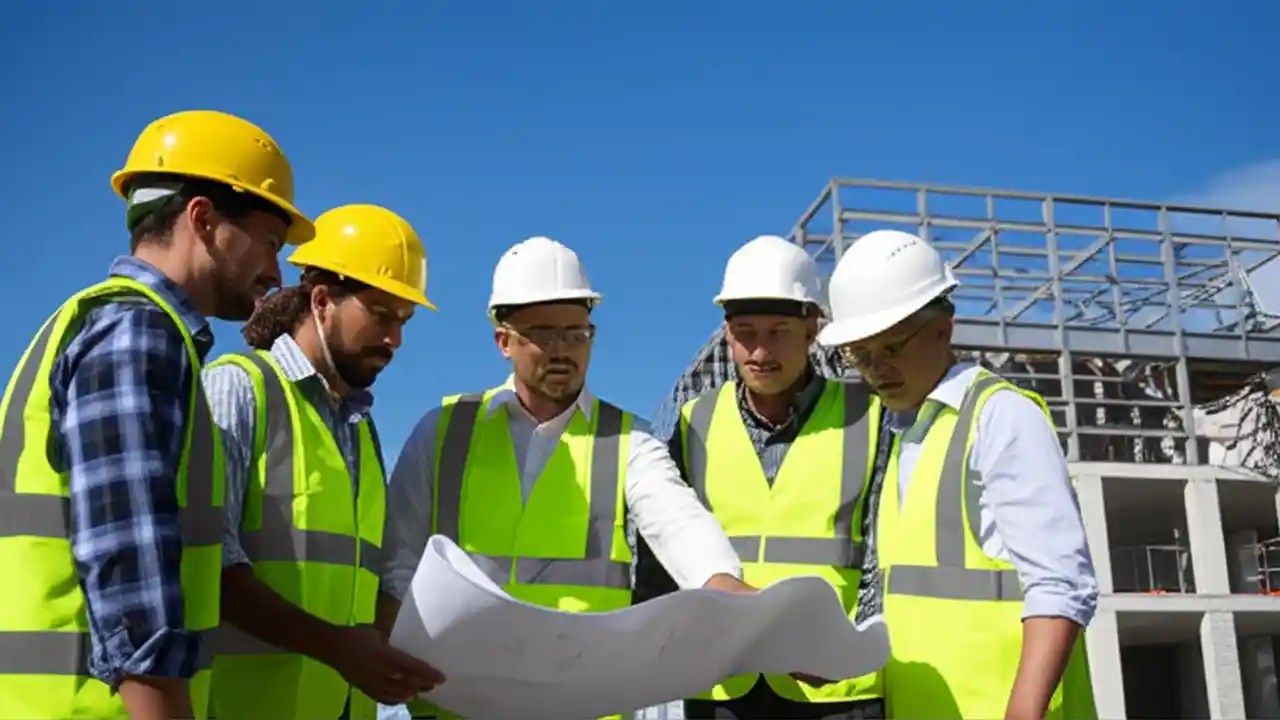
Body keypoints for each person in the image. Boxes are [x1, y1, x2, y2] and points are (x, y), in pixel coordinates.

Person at [0, 109, 312, 720]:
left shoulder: (91, 325)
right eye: (270, 243)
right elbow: (130, 580)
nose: (276, 274)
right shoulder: (139, 334)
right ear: (203, 218)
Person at [377, 236, 756, 719]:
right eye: (544, 334)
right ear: (504, 341)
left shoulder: (629, 440)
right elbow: (399, 560)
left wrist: (721, 582)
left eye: (576, 334)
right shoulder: (442, 432)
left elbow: (677, 521)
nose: (563, 350)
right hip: (459, 702)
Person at [814, 229, 1098, 720]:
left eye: (891, 348)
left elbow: (1061, 585)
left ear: (943, 329)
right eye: (860, 354)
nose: (876, 370)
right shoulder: (902, 434)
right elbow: (911, 603)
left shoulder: (1001, 416)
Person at [201, 204, 445, 719]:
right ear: (320, 301)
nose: (395, 340)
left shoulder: (360, 429)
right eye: (381, 315)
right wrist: (338, 649)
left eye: (403, 322)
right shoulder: (238, 389)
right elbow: (205, 558)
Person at [633, 235, 888, 720]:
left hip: (834, 690)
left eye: (778, 333)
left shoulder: (869, 417)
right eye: (745, 332)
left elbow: (885, 555)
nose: (760, 351)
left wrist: (844, 647)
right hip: (723, 684)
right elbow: (661, 555)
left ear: (812, 328)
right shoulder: (694, 423)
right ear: (727, 333)